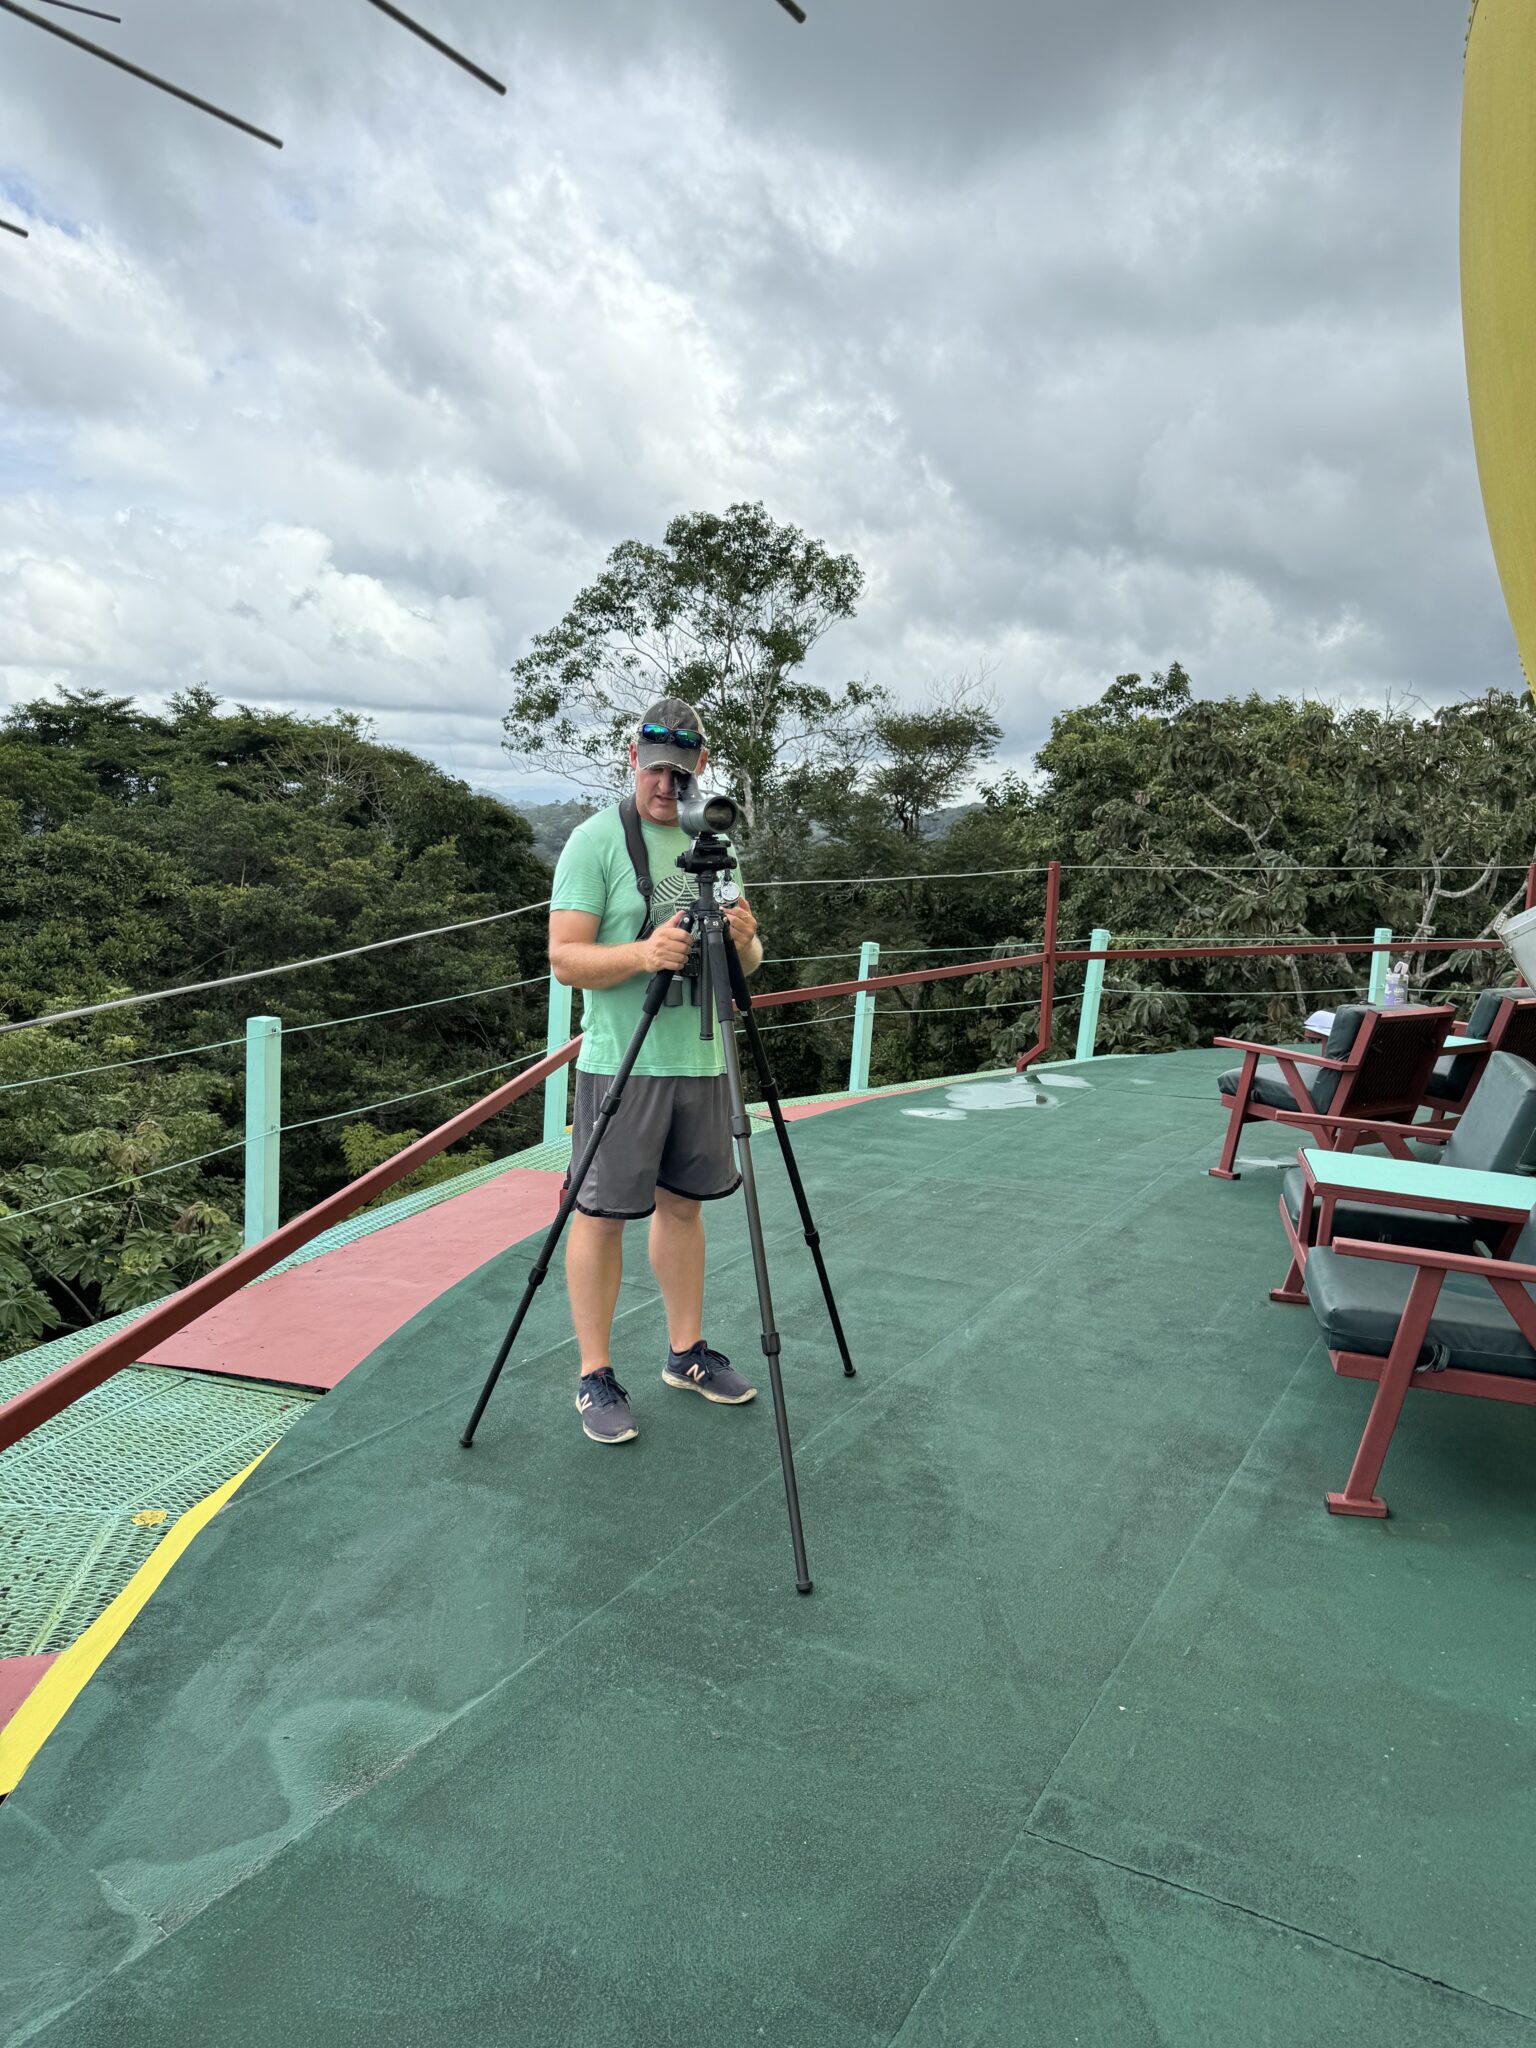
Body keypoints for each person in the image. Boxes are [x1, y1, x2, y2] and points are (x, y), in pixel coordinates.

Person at [548, 698, 764, 1444]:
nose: (669, 787)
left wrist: (740, 938)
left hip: (703, 1060)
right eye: (657, 770)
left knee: (685, 1206)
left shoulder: (716, 840)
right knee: (601, 1213)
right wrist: (643, 955)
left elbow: (752, 962)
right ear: (633, 760)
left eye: (683, 771)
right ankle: (596, 1374)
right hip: (622, 1060)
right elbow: (565, 957)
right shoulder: (595, 841)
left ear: (702, 765)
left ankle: (686, 1352)